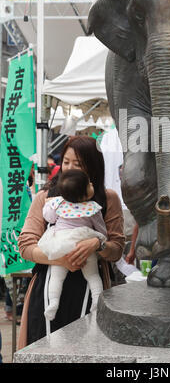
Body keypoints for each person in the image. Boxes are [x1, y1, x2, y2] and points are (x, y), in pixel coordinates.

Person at [17, 136, 125, 349]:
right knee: (45, 348)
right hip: (47, 289)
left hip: (89, 287)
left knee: (87, 349)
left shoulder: (108, 199)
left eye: (78, 164)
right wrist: (60, 258)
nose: (70, 168)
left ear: (93, 166)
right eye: (66, 162)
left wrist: (97, 244)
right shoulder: (46, 198)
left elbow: (117, 248)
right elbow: (26, 245)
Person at [38, 169, 107, 321]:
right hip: (85, 246)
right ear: (84, 194)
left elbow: (49, 218)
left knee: (56, 277)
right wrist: (100, 238)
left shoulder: (58, 203)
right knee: (93, 276)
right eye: (88, 184)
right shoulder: (93, 208)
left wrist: (50, 206)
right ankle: (96, 302)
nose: (92, 184)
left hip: (62, 245)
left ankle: (53, 303)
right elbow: (101, 229)